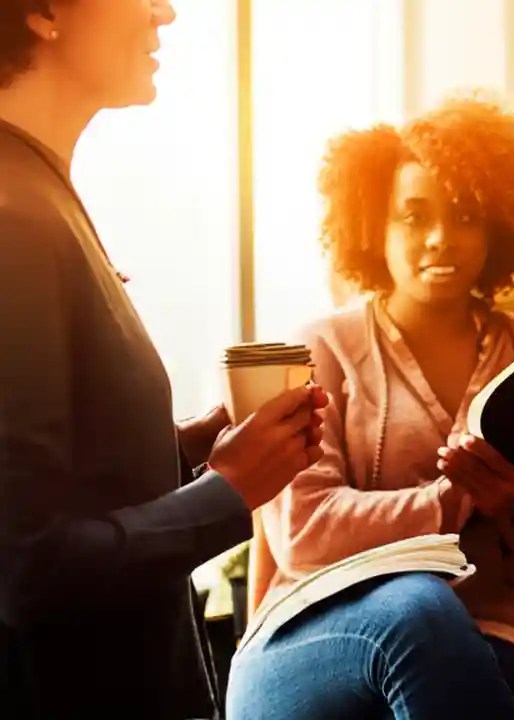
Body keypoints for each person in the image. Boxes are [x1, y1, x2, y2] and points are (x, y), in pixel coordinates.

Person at [226, 96, 514, 720]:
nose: (439, 239)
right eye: (413, 217)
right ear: (373, 228)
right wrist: (451, 501)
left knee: (486, 666)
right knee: (420, 609)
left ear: (497, 226)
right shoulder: (322, 348)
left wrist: (508, 511)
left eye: (464, 216)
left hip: (498, 634)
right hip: (310, 633)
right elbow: (303, 533)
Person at [0, 2, 329, 717]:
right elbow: (25, 565)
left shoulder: (39, 190)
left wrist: (189, 454)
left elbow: (58, 486)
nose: (165, 12)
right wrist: (227, 493)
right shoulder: (13, 216)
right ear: (44, 12)